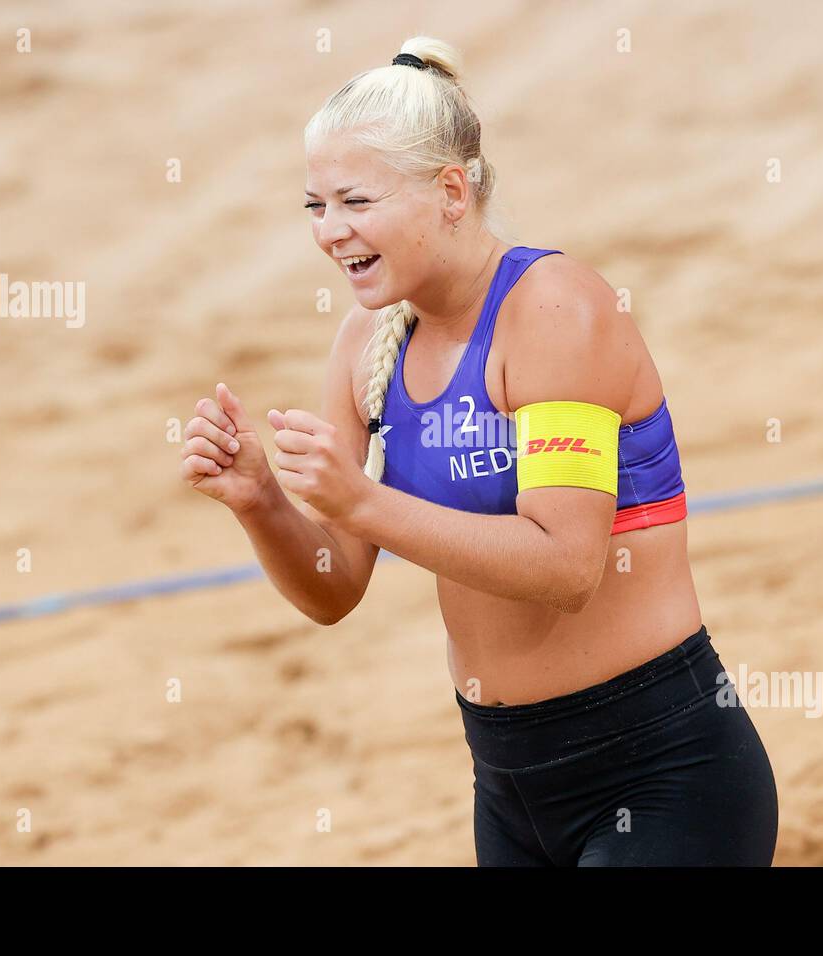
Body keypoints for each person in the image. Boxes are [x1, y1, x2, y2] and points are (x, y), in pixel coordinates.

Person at [180, 36, 778, 866]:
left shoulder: (554, 310)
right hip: (508, 786)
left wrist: (363, 500)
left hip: (661, 771)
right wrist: (263, 503)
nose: (330, 231)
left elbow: (568, 567)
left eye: (355, 200)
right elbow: (333, 590)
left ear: (451, 191)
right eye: (315, 205)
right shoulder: (365, 343)